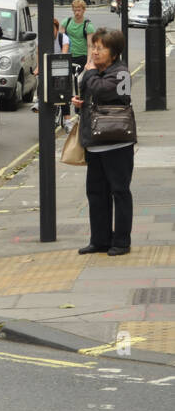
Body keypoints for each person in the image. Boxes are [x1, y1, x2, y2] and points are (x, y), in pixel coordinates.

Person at [72, 29, 134, 257]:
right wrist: (80, 103)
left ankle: (121, 241)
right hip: (95, 142)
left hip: (117, 143)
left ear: (114, 52)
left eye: (101, 48)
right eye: (93, 47)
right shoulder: (98, 72)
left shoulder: (121, 72)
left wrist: (88, 74)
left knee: (120, 192)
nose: (95, 52)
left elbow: (105, 91)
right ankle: (99, 239)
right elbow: (96, 96)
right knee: (96, 193)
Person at [63, 0, 94, 71]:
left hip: (82, 57)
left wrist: (88, 62)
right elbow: (61, 41)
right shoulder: (66, 22)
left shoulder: (88, 26)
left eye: (79, 10)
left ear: (84, 10)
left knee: (79, 80)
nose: (77, 13)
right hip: (68, 56)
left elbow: (90, 46)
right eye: (75, 10)